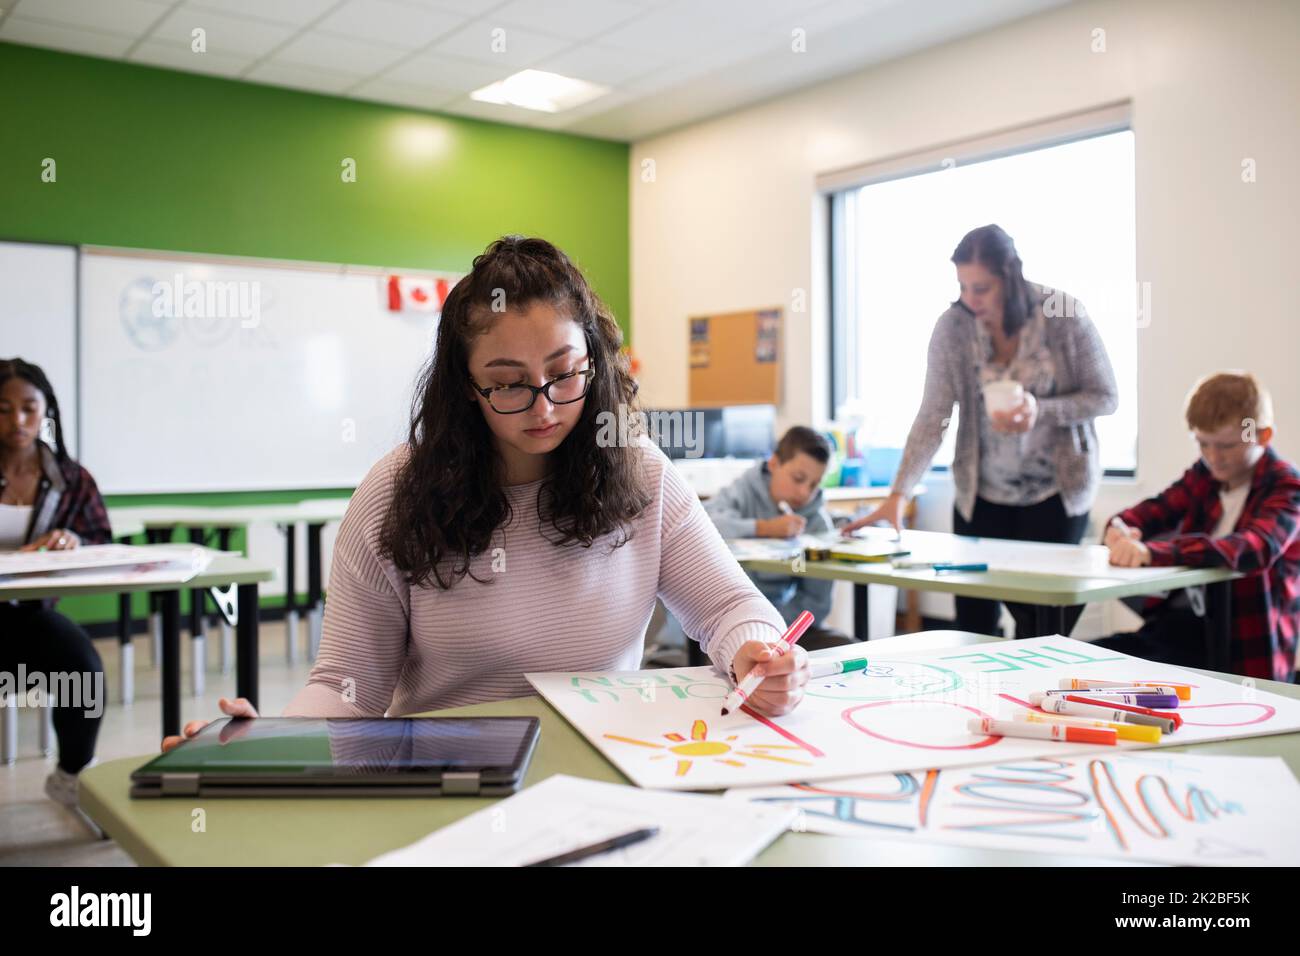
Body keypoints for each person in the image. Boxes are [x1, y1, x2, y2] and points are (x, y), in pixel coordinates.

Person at [164, 237, 809, 751]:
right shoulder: (395, 493)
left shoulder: (641, 475)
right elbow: (346, 687)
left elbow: (728, 607)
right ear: (466, 388)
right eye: (508, 384)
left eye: (564, 374)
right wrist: (270, 741)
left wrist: (756, 652)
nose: (545, 406)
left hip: (605, 769)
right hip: (444, 785)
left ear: (595, 364)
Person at [843, 224, 1118, 638]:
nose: (971, 300)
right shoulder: (953, 327)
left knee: (1042, 626)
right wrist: (898, 494)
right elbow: (933, 414)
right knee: (972, 625)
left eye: (982, 288)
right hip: (982, 496)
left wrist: (1039, 409)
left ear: (1011, 275)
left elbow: (1105, 396)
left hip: (1056, 495)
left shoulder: (1063, 312)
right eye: (963, 286)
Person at [1095, 372, 1299, 682]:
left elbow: (1253, 548)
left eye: (1227, 446)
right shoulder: (1203, 475)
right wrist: (1120, 530)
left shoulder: (1287, 487)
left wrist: (1151, 553)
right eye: (1203, 443)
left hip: (1243, 649)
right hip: (1181, 630)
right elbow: (1151, 511)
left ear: (1262, 435)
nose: (1213, 457)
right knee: (1083, 663)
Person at [0, 358, 112, 812]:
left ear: (46, 412)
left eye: (28, 408)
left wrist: (75, 540)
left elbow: (104, 542)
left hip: (28, 615)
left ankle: (71, 774)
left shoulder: (69, 479)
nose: (17, 422)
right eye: (3, 409)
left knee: (80, 666)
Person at [705, 425, 853, 650]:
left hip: (784, 626)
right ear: (774, 464)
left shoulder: (816, 524)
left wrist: (772, 626)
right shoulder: (743, 491)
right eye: (798, 478)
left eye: (814, 485)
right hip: (725, 625)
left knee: (846, 648)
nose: (804, 492)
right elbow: (704, 525)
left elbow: (816, 603)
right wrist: (763, 528)